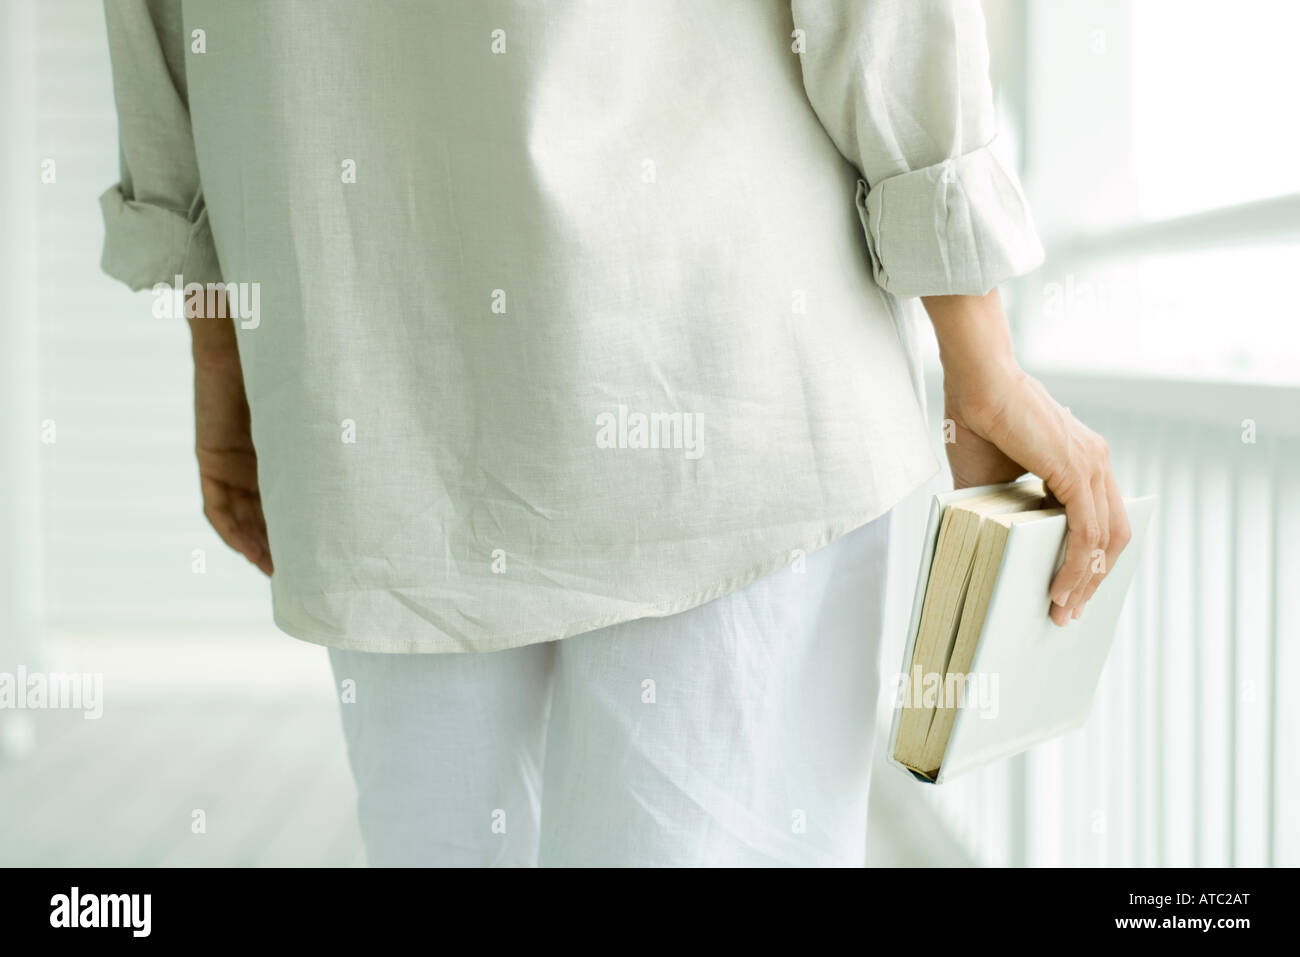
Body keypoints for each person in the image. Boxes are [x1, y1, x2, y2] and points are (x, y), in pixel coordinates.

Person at [100, 0, 1129, 866]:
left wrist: (222, 354)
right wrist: (978, 357)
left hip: (371, 370)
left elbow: (158, 33)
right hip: (717, 367)